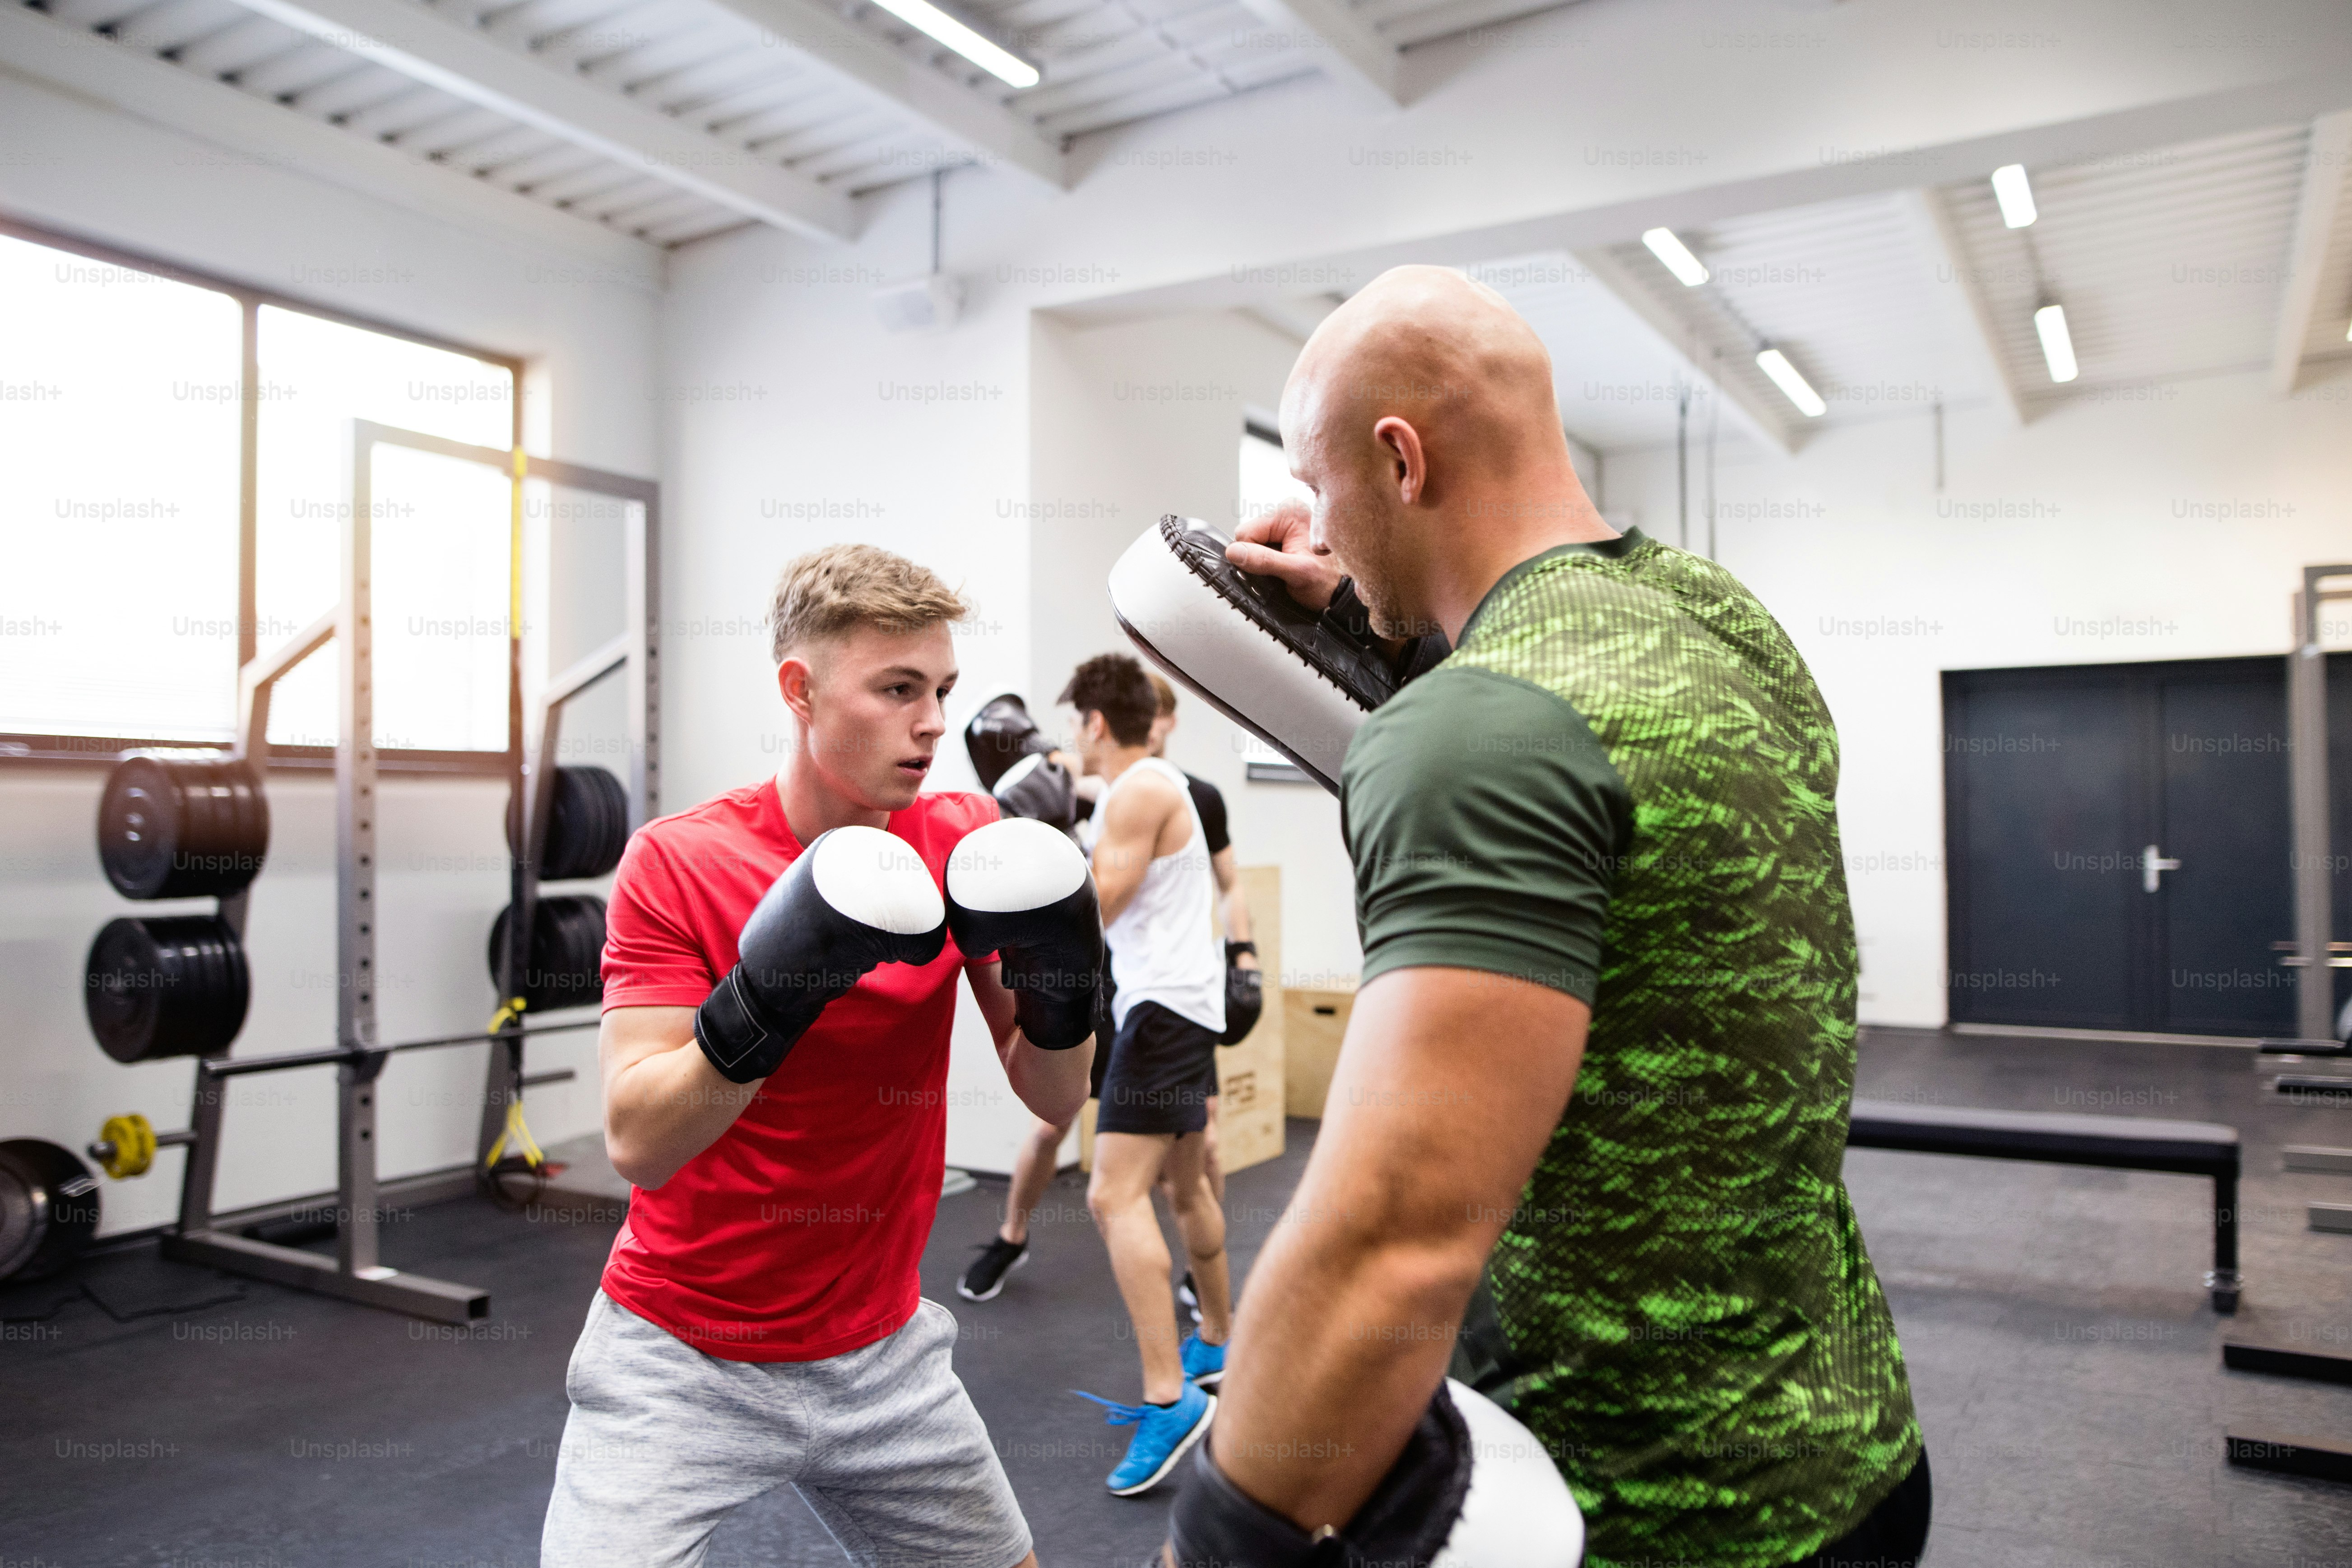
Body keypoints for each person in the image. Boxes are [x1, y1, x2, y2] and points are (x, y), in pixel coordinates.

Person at [1164, 267, 1928, 1568]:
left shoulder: (1473, 729)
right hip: (1846, 1452)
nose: (1314, 524)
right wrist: (1369, 619)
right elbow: (1555, 703)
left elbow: (1390, 1243)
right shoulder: (1722, 621)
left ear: (1400, 459)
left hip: (1645, 1511)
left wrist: (1222, 1542)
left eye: (1321, 484)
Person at [540, 543, 1097, 1568]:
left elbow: (1052, 1096)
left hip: (882, 1352)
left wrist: (1065, 984)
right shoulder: (680, 860)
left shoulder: (966, 837)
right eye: (896, 689)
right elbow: (636, 1141)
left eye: (941, 690)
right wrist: (771, 992)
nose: (932, 722)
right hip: (679, 1354)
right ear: (799, 690)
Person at [958, 675, 1257, 1323]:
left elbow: (1225, 885)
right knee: (1053, 1121)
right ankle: (1012, 1237)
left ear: (1163, 724)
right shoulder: (1105, 788)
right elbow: (1070, 782)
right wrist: (1048, 781)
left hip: (1159, 996)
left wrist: (1245, 955)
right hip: (1122, 988)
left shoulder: (1177, 794)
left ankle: (1193, 1339)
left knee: (1169, 1167)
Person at [1053, 651, 1233, 1496]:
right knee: (1184, 1189)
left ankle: (1168, 1398)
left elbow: (1097, 909)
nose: (1073, 742)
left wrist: (1035, 859)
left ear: (1095, 721)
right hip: (1183, 1007)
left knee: (1109, 1194)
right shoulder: (1153, 786)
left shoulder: (1139, 791)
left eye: (1075, 726)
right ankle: (1218, 1344)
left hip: (1160, 1012)